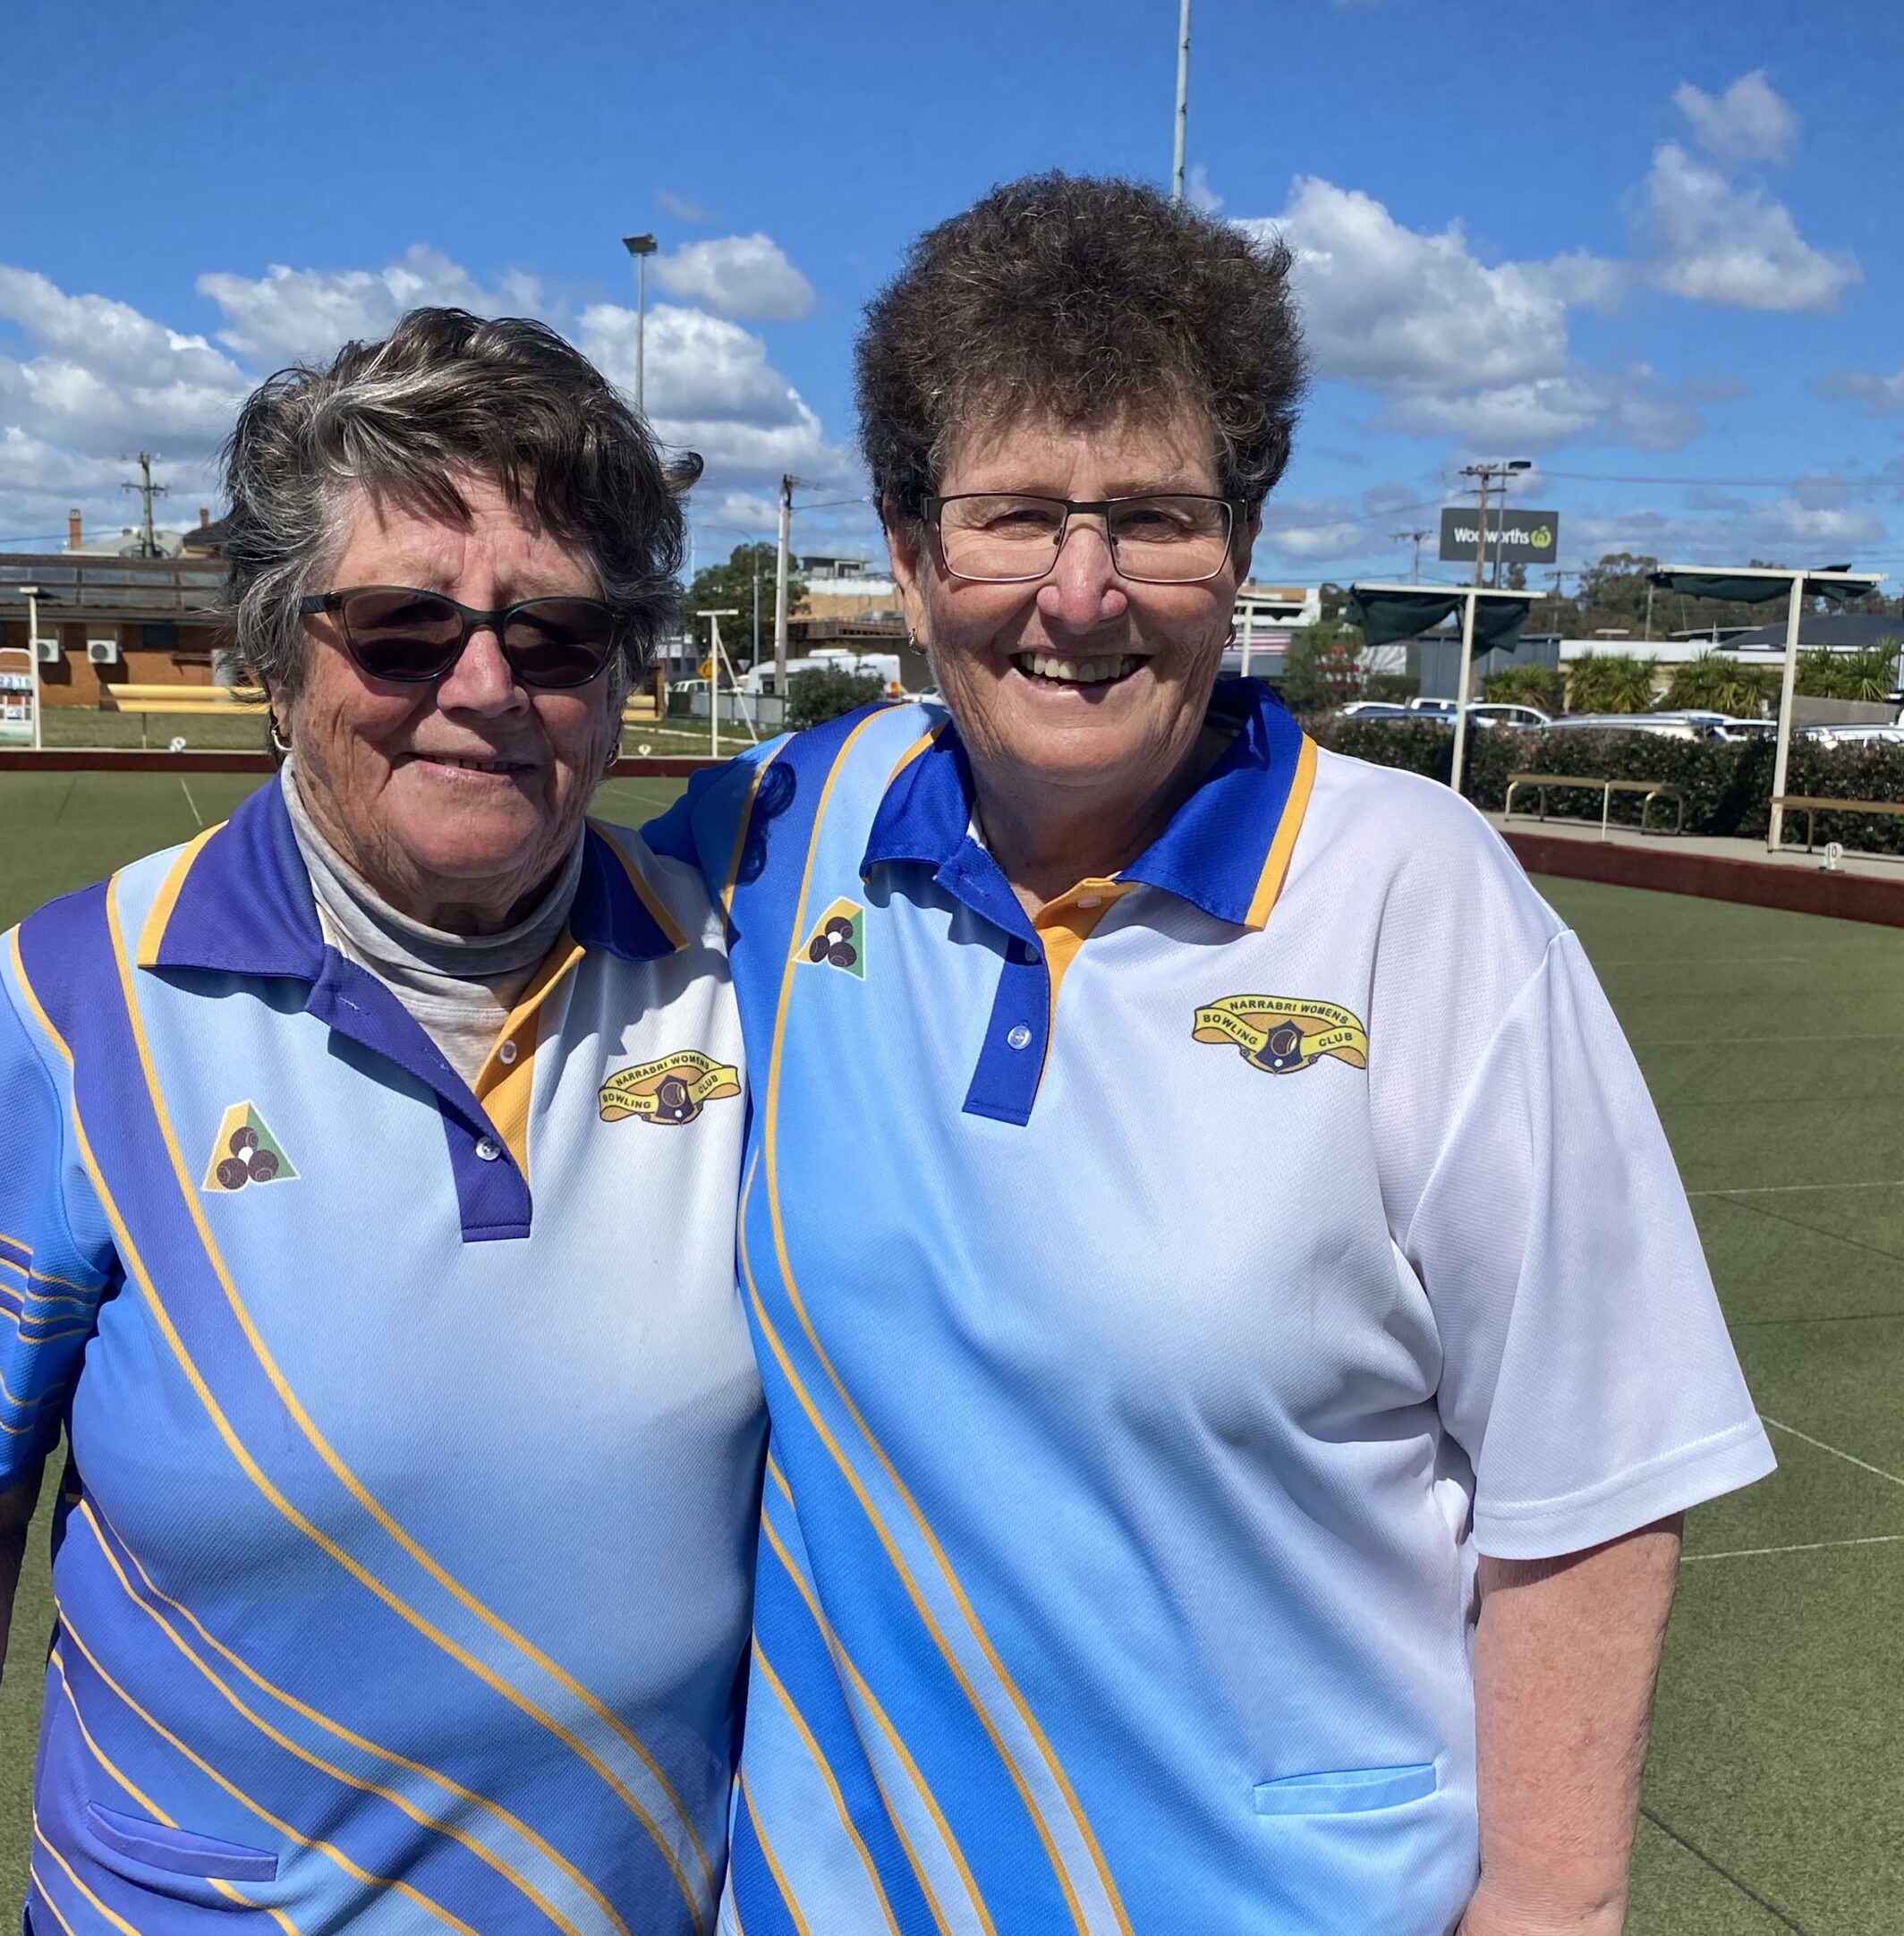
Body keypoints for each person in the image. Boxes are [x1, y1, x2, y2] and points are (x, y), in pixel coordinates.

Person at [650, 175, 1774, 1936]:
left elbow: (1594, 1480)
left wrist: (1549, 1905)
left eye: (1153, 519)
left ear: (1240, 544)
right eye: (1014, 517)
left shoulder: (1414, 893)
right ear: (905, 548)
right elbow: (472, 898)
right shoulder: (783, 829)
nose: (1080, 594)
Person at [0, 310, 762, 1936]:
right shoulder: (72, 1002)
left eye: (555, 635)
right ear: (277, 660)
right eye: (402, 630)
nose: (484, 688)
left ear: (625, 676)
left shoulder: (740, 961)